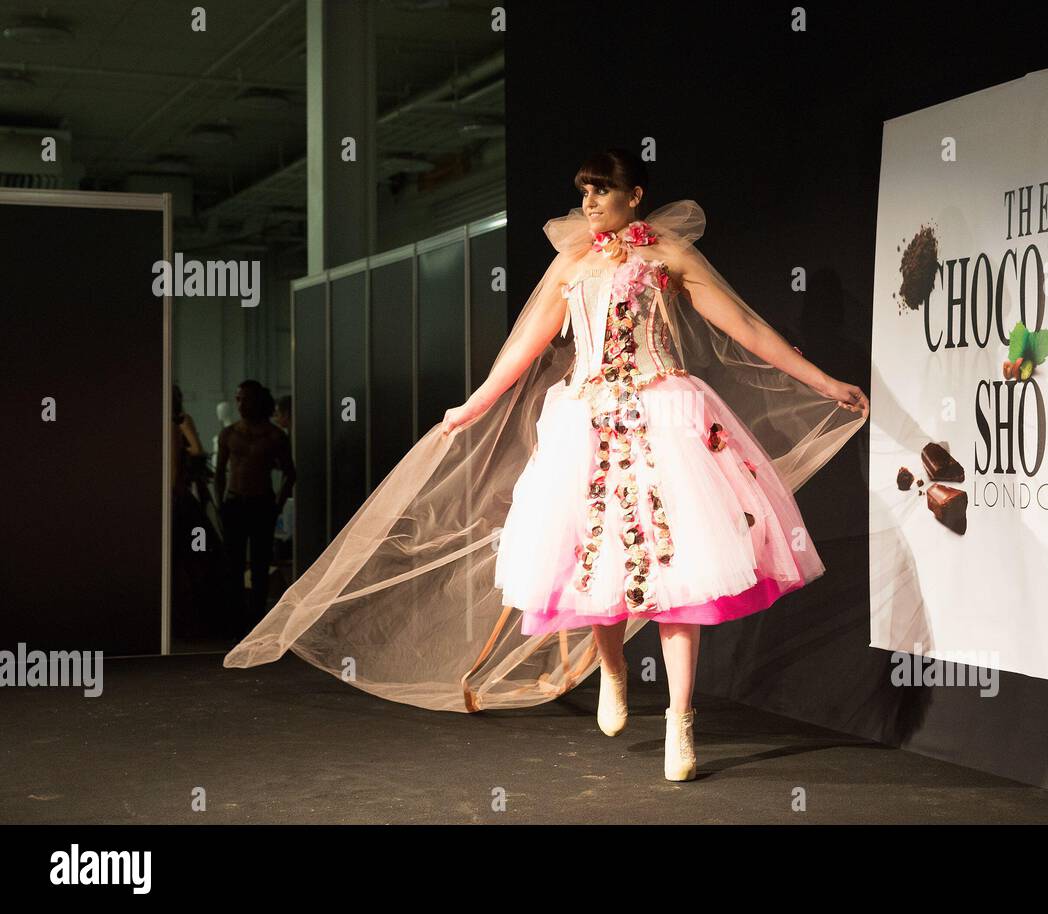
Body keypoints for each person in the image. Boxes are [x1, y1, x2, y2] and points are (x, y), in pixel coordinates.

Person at [224, 148, 869, 783]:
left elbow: (746, 327)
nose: (586, 203)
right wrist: (472, 406)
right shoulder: (572, 266)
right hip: (585, 421)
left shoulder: (669, 256)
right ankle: (612, 670)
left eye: (599, 191)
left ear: (633, 195)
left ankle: (680, 718)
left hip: (661, 415)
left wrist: (821, 380)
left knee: (680, 575)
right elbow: (525, 348)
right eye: (582, 191)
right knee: (589, 557)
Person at [216, 381, 296, 632]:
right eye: (238, 399)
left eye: (245, 399)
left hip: (261, 504)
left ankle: (258, 620)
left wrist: (276, 506)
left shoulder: (274, 436)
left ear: (257, 401)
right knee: (233, 564)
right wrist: (221, 504)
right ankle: (234, 620)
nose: (240, 405)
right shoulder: (229, 434)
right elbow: (219, 472)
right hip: (235, 502)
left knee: (260, 565)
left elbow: (290, 473)